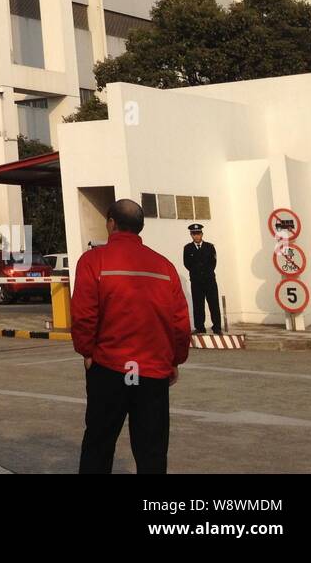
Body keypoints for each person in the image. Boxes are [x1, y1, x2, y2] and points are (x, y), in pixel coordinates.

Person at [71, 198, 191, 474]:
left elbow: (84, 314)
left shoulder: (93, 261)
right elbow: (179, 323)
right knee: (152, 449)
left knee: (99, 443)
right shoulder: (164, 267)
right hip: (152, 372)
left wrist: (87, 352)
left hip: (109, 368)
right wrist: (175, 360)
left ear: (111, 223)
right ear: (140, 227)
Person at [183, 223, 222, 335]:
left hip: (209, 280)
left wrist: (205, 273)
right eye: (194, 234)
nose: (196, 236)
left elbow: (213, 263)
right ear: (191, 235)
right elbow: (187, 263)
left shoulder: (210, 247)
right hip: (196, 281)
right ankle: (200, 327)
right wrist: (197, 273)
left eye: (198, 233)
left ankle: (217, 327)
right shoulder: (187, 248)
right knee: (198, 304)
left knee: (213, 304)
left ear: (202, 234)